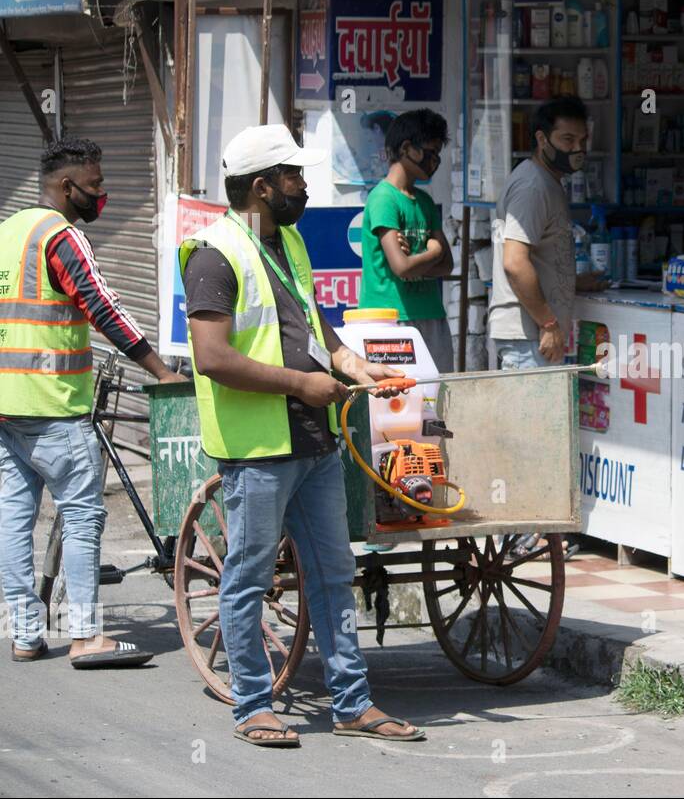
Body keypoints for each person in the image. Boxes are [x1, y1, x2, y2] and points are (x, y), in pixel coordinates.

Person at [180, 124, 424, 747]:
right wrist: (300, 385)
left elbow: (316, 329)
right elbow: (211, 358)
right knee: (249, 577)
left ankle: (353, 703)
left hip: (312, 442)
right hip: (257, 451)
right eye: (294, 177)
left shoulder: (288, 241)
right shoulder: (213, 254)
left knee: (333, 575)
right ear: (262, 187)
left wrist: (353, 366)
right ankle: (253, 706)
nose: (305, 186)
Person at [0, 138, 185, 667]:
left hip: (8, 409)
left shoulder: (7, 233)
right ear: (67, 186)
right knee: (82, 514)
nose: (101, 195)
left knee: (15, 518)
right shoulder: (61, 237)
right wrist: (158, 369)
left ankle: (27, 636)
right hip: (54, 404)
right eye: (96, 185)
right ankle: (84, 635)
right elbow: (103, 304)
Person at [488, 95, 605, 369]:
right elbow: (515, 263)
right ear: (542, 140)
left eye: (582, 141)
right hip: (530, 335)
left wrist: (570, 280)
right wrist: (548, 323)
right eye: (567, 139)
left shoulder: (547, 182)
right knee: (532, 413)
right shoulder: (533, 187)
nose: (577, 148)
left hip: (534, 334)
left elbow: (537, 256)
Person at [359, 108, 455, 372]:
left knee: (436, 399)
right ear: (406, 148)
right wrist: (432, 251)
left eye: (438, 155)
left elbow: (448, 266)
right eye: (430, 152)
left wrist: (418, 259)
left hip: (431, 314)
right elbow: (401, 267)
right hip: (390, 319)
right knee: (397, 403)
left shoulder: (423, 202)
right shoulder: (383, 199)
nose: (434, 161)